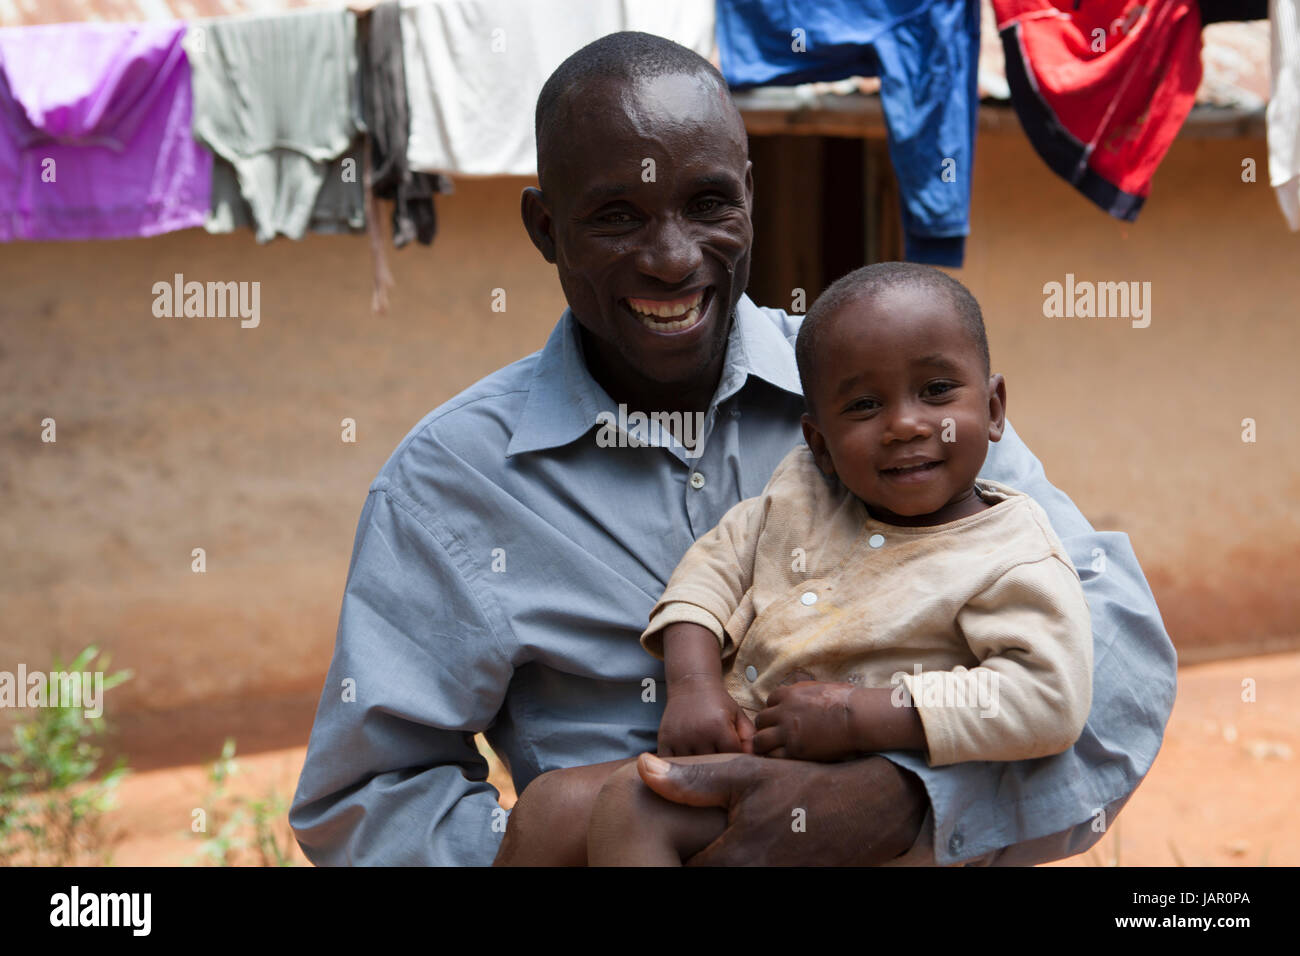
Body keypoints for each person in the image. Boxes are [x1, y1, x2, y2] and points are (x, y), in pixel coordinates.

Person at [289, 31, 1176, 867]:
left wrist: (904, 803)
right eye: (616, 217)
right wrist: (582, 830)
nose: (672, 258)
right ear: (545, 229)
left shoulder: (899, 404)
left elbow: (1115, 672)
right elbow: (364, 800)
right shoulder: (452, 484)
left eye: (708, 202)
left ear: (750, 194)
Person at [500, 261, 1096, 865]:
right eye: (864, 405)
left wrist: (858, 716)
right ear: (820, 444)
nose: (905, 424)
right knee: (549, 807)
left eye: (937, 390)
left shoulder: (1011, 552)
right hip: (751, 755)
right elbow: (710, 569)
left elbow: (1049, 696)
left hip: (867, 808)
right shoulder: (802, 493)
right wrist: (694, 685)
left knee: (639, 803)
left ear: (994, 408)